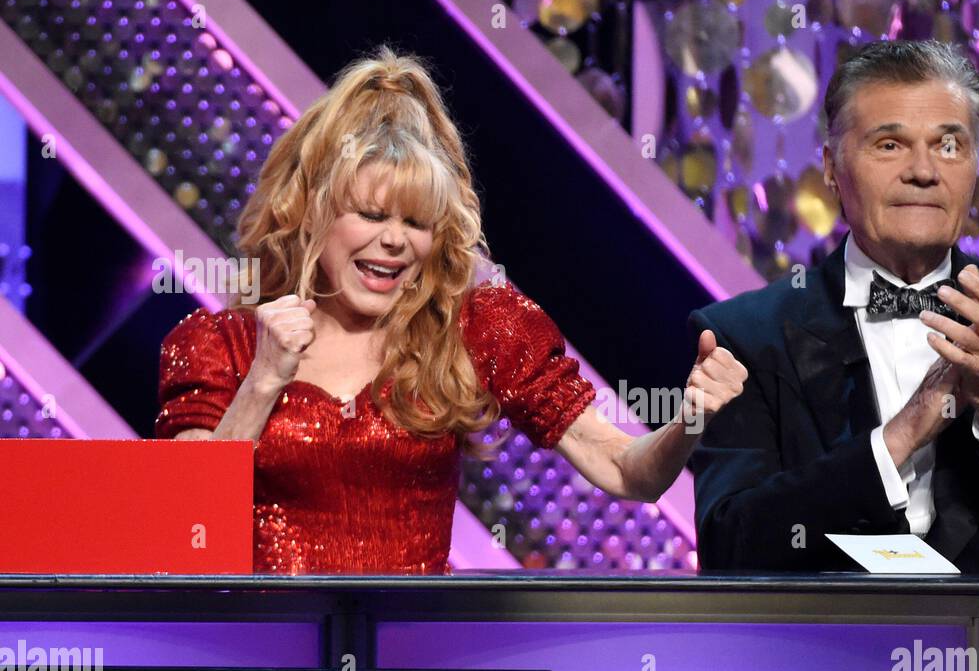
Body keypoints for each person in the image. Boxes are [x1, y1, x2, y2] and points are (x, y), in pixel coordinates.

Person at [156, 47, 746, 574]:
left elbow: (625, 471)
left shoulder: (470, 328)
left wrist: (687, 421)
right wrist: (262, 382)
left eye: (415, 223)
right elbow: (178, 524)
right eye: (370, 214)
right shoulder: (220, 344)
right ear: (313, 213)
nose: (394, 240)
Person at [689, 40, 979, 575]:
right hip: (827, 652)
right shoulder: (745, 337)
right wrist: (902, 435)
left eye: (949, 145)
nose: (924, 171)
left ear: (974, 166)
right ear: (832, 168)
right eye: (890, 145)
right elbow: (730, 550)